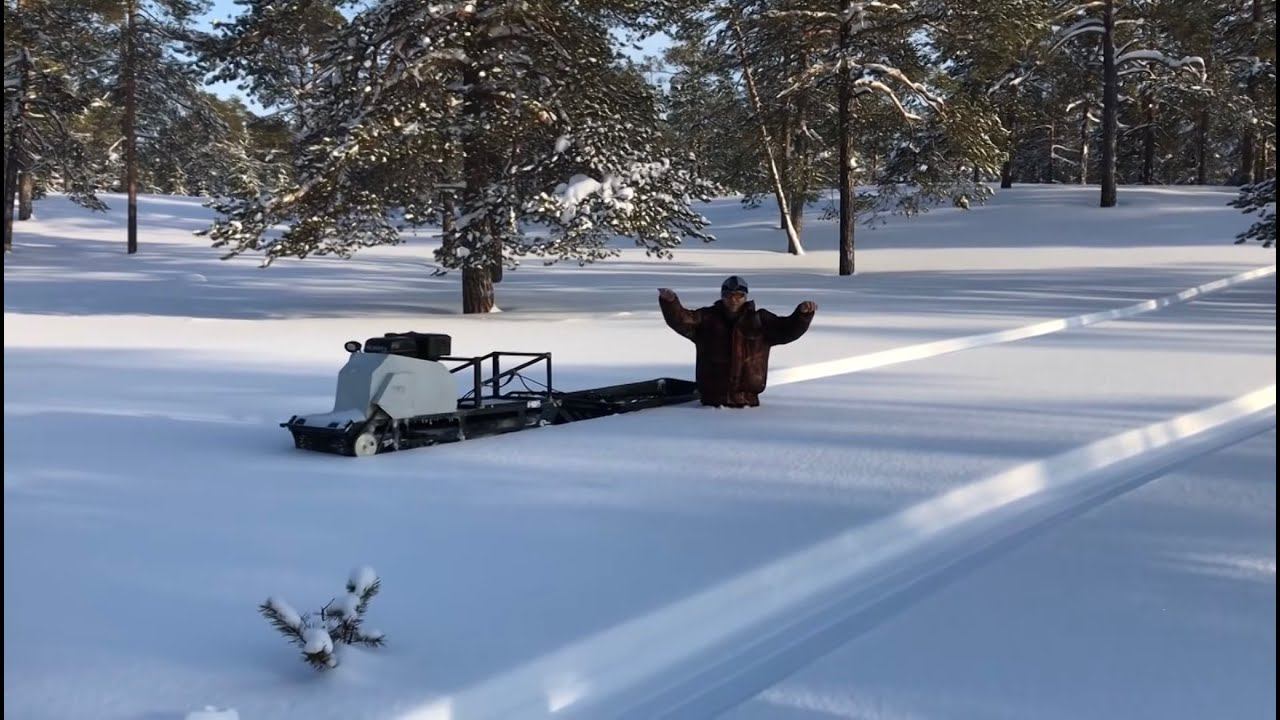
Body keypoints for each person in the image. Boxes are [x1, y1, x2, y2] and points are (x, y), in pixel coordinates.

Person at [658, 276, 817, 408]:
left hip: (749, 405)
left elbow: (787, 330)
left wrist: (802, 315)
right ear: (722, 297)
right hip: (710, 404)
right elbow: (682, 320)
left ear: (745, 297)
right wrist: (671, 303)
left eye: (738, 296)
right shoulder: (707, 318)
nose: (733, 300)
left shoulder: (760, 320)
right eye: (728, 296)